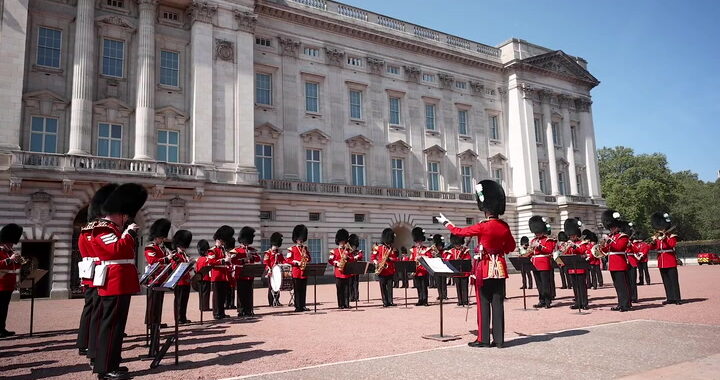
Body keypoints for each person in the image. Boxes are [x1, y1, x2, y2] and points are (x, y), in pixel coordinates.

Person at [437, 179, 515, 348]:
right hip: (500, 269)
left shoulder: (483, 226)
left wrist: (446, 223)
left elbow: (459, 231)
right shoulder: (504, 226)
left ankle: (484, 339)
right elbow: (511, 247)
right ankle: (500, 340)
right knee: (498, 303)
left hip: (485, 268)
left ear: (485, 208)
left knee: (483, 304)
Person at [92, 183, 147, 380]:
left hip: (120, 282)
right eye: (125, 215)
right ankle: (105, 369)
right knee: (111, 326)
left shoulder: (114, 229)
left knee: (117, 327)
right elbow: (115, 251)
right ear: (118, 213)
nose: (126, 219)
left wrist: (126, 234)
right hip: (114, 282)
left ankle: (112, 363)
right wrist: (129, 234)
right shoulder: (102, 229)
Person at [76, 184, 117, 359]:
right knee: (98, 310)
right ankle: (94, 345)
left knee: (90, 309)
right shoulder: (98, 230)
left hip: (89, 272)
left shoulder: (85, 231)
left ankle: (84, 343)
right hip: (99, 272)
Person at [144, 218, 172, 355]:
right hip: (153, 280)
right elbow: (153, 261)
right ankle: (151, 324)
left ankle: (156, 323)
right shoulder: (150, 248)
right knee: (152, 304)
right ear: (156, 237)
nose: (162, 240)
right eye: (161, 237)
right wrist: (167, 258)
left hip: (161, 280)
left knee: (158, 304)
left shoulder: (162, 248)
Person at [600, 210, 632, 312]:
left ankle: (626, 304)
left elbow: (619, 247)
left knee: (623, 285)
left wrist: (609, 240)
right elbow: (607, 250)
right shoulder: (612, 237)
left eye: (613, 227)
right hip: (613, 264)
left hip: (620, 263)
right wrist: (602, 246)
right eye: (610, 227)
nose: (611, 229)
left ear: (617, 227)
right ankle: (620, 303)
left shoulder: (623, 236)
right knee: (617, 286)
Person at [650, 212, 682, 305]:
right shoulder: (658, 237)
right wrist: (653, 242)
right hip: (661, 261)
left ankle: (677, 298)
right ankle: (670, 298)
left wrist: (665, 238)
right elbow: (651, 248)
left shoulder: (671, 236)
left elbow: (672, 245)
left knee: (673, 281)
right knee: (666, 281)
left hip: (670, 260)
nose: (661, 229)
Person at [0, 224, 23, 338]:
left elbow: (15, 268)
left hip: (8, 285)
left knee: (4, 308)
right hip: (1, 284)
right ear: (4, 241)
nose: (11, 245)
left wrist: (18, 261)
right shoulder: (2, 252)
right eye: (10, 243)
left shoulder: (9, 252)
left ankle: (2, 328)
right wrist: (10, 260)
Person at [231, 227, 261, 317]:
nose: (246, 244)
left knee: (249, 292)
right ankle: (241, 310)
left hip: (250, 274)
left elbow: (258, 258)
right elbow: (233, 261)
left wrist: (251, 257)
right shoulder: (236, 251)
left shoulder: (252, 250)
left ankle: (249, 309)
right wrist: (244, 260)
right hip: (241, 274)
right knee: (241, 293)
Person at [527, 216, 555, 309]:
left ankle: (548, 301)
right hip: (535, 263)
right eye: (536, 232)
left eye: (538, 232)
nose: (537, 234)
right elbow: (531, 252)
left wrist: (539, 247)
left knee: (545, 283)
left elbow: (549, 250)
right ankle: (541, 300)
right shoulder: (533, 241)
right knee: (539, 284)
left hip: (544, 263)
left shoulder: (547, 240)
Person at [207, 225, 234, 320]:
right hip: (217, 276)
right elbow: (211, 262)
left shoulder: (223, 250)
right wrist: (224, 260)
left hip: (224, 276)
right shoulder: (212, 250)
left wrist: (229, 260)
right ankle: (216, 313)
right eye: (221, 241)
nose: (222, 243)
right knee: (217, 296)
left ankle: (221, 312)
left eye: (223, 241)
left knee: (222, 296)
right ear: (217, 240)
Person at [563, 218, 589, 310]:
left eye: (573, 235)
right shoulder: (568, 244)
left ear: (576, 234)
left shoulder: (582, 243)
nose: (571, 237)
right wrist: (566, 248)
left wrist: (574, 246)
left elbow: (582, 250)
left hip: (580, 267)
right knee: (575, 286)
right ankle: (578, 302)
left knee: (582, 286)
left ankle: (584, 303)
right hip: (572, 267)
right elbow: (565, 254)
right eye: (570, 236)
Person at [287, 224, 311, 312]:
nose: (301, 241)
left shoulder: (305, 248)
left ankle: (303, 305)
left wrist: (306, 258)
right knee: (297, 290)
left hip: (304, 272)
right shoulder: (291, 249)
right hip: (296, 272)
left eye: (302, 239)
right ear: (296, 240)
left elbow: (309, 258)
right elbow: (288, 260)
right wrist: (296, 262)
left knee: (303, 290)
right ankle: (297, 306)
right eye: (299, 239)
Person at [170, 230, 193, 324]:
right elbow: (175, 268)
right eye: (182, 247)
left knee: (184, 300)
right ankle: (178, 318)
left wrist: (190, 264)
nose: (183, 248)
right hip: (179, 281)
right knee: (179, 301)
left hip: (186, 280)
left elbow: (189, 270)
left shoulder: (185, 255)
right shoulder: (175, 255)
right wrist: (187, 263)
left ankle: (183, 317)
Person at [371, 229, 398, 307]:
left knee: (390, 287)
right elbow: (373, 257)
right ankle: (385, 302)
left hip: (390, 270)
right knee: (382, 287)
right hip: (381, 270)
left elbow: (396, 258)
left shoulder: (393, 249)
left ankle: (390, 301)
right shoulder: (378, 248)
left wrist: (391, 259)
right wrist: (376, 263)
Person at [329, 229, 352, 309]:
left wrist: (348, 257)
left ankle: (346, 303)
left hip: (346, 272)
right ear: (338, 242)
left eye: (343, 241)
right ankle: (340, 304)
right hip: (338, 272)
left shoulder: (347, 251)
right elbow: (330, 260)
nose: (342, 243)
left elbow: (352, 259)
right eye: (341, 242)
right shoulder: (334, 251)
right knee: (339, 289)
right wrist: (337, 263)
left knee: (347, 289)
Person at [409, 228, 432, 306]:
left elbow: (429, 258)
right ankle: (420, 299)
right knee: (418, 287)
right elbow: (411, 260)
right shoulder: (413, 250)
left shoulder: (426, 249)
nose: (418, 243)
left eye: (419, 242)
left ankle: (425, 300)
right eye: (417, 242)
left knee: (424, 286)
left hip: (424, 271)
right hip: (416, 271)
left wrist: (422, 257)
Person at [447, 234, 471, 305]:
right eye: (456, 244)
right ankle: (460, 300)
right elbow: (448, 260)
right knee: (458, 287)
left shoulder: (465, 250)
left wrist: (462, 259)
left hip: (464, 272)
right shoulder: (451, 251)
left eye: (459, 244)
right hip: (456, 272)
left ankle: (465, 300)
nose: (458, 245)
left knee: (464, 287)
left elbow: (468, 259)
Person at [264, 232, 285, 307]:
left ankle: (277, 300)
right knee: (271, 287)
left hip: (278, 271)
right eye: (275, 245)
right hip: (271, 271)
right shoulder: (268, 253)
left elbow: (283, 261)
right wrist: (269, 269)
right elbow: (266, 262)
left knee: (278, 286)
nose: (276, 247)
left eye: (276, 245)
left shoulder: (279, 253)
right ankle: (271, 301)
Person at [623, 222, 640, 303]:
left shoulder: (632, 242)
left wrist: (630, 245)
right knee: (626, 281)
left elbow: (637, 250)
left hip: (631, 262)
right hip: (624, 262)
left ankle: (634, 297)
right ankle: (628, 297)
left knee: (632, 281)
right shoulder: (623, 240)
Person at [195, 240, 211, 313]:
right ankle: (205, 307)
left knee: (201, 293)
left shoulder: (198, 259)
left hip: (199, 278)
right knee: (206, 293)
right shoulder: (206, 259)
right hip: (206, 278)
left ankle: (201, 306)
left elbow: (196, 269)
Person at [432, 234, 449, 301]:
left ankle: (444, 295)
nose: (439, 247)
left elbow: (445, 255)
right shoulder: (434, 247)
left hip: (443, 266)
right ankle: (440, 295)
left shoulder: (443, 248)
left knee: (443, 282)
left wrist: (439, 254)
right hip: (436, 266)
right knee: (438, 282)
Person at [348, 234, 363, 302]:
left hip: (356, 270)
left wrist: (355, 257)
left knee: (356, 284)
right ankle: (351, 297)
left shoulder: (358, 252)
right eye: (352, 246)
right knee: (350, 284)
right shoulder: (348, 252)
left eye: (354, 246)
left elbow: (360, 256)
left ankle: (356, 297)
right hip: (350, 270)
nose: (353, 247)